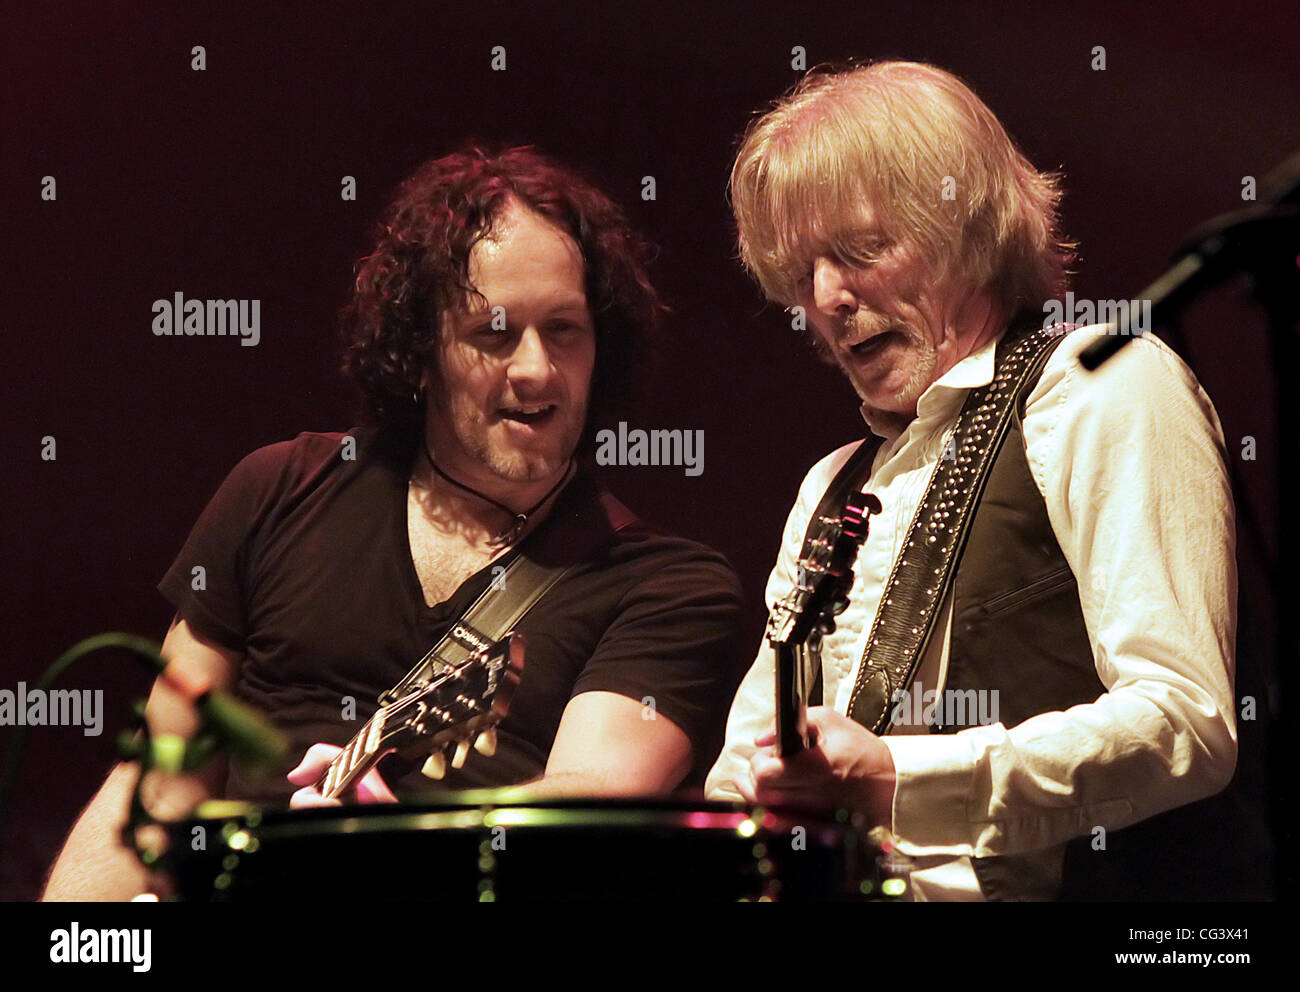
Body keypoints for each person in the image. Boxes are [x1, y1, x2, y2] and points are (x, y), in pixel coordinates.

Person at [43, 146, 745, 900]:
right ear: (420, 353)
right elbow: (162, 782)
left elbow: (588, 808)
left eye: (565, 329)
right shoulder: (279, 488)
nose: (537, 369)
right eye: (495, 333)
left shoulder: (669, 585)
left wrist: (400, 845)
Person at [705, 61, 1239, 900]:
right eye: (802, 272)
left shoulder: (1100, 384)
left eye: (859, 250)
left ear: (968, 230)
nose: (827, 297)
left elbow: (1187, 723)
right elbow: (744, 770)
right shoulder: (831, 487)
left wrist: (897, 777)